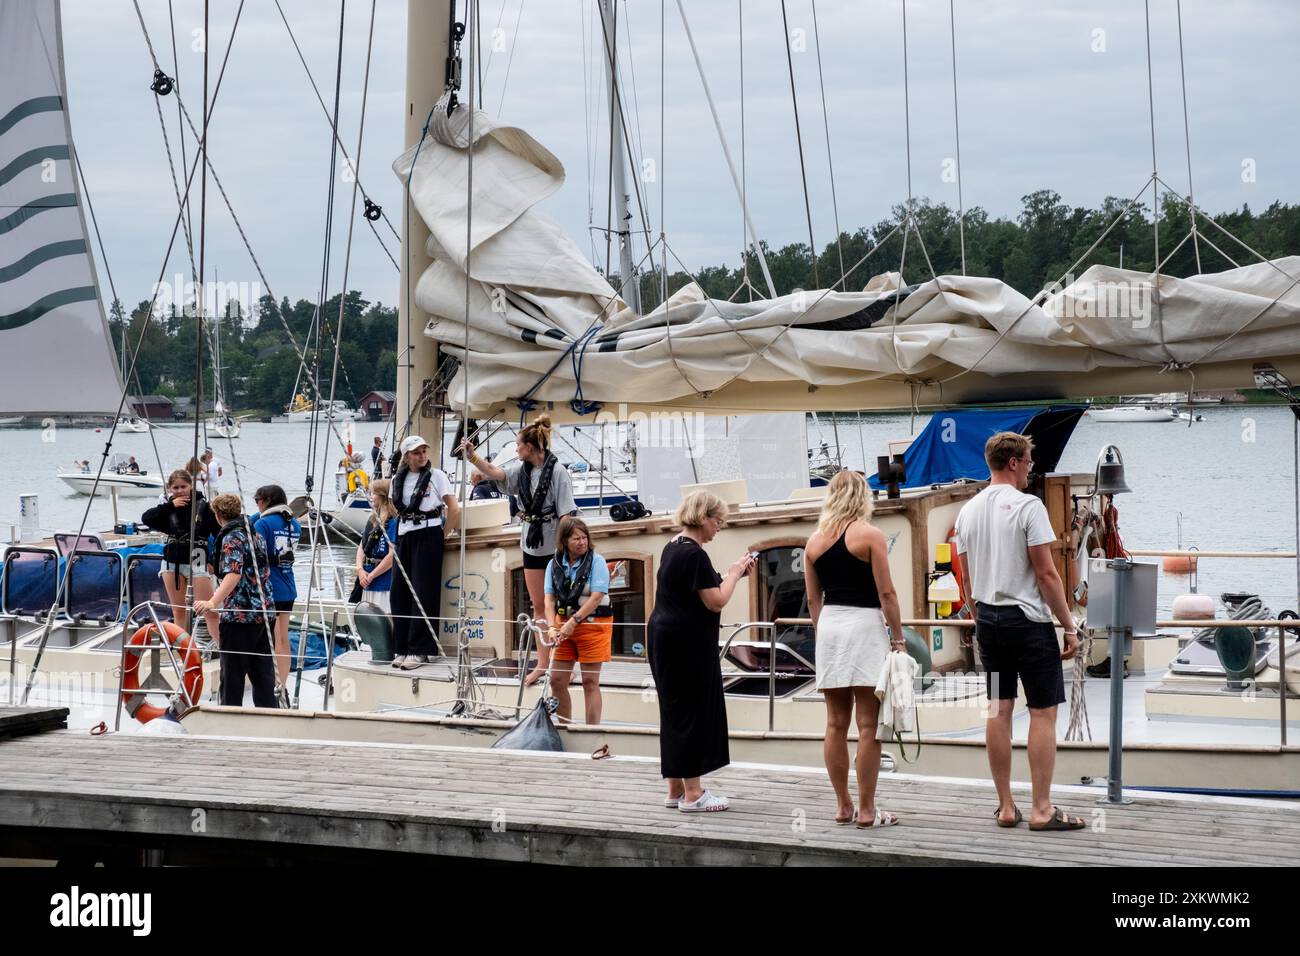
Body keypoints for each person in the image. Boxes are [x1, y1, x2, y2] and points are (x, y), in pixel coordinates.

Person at [954, 431, 1084, 832]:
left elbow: (965, 576)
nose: (1030, 469)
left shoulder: (967, 511)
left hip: (988, 621)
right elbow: (1046, 575)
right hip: (1027, 621)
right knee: (1042, 712)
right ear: (1013, 462)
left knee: (999, 709)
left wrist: (979, 615)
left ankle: (1006, 806)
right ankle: (1042, 809)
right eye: (1028, 462)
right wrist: (1069, 626)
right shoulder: (1029, 507)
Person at [803, 470, 906, 828]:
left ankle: (843, 806)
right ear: (863, 497)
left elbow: (813, 599)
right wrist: (898, 638)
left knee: (834, 723)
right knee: (868, 724)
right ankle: (866, 809)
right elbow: (887, 594)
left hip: (830, 625)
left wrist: (825, 634)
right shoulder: (870, 536)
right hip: (864, 625)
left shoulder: (813, 543)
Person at [647, 490, 755, 813]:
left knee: (673, 710)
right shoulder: (694, 555)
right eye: (717, 520)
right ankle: (694, 794)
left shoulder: (672, 547)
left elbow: (697, 590)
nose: (718, 527)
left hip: (663, 638)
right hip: (685, 643)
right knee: (691, 710)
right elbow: (716, 600)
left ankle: (676, 789)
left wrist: (729, 575)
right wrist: (736, 573)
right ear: (703, 517)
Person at [459, 414, 577, 685]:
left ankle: (565, 663)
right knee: (539, 606)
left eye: (518, 445)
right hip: (532, 545)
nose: (515, 450)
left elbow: (567, 515)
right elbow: (498, 474)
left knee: (561, 606)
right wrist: (473, 458)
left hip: (554, 546)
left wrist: (565, 551)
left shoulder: (558, 472)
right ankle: (543, 662)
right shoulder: (521, 471)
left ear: (531, 447)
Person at [195, 494, 277, 708]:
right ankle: (269, 714)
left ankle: (230, 714)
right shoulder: (254, 534)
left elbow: (234, 574)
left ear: (218, 515)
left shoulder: (232, 538)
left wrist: (212, 602)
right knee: (263, 673)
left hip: (240, 615)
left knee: (232, 674)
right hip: (264, 611)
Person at [389, 435, 459, 670]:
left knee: (423, 591)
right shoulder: (397, 480)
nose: (422, 456)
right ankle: (401, 646)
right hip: (405, 535)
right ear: (406, 456)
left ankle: (420, 650)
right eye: (416, 452)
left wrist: (443, 535)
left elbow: (454, 508)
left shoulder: (436, 476)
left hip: (428, 534)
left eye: (423, 451)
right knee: (399, 592)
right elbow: (395, 508)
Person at [543, 516, 613, 725]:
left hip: (593, 626)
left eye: (584, 537)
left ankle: (592, 732)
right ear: (564, 542)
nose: (582, 542)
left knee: (590, 681)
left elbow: (597, 596)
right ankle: (565, 727)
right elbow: (548, 601)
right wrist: (552, 628)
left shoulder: (597, 561)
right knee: (557, 680)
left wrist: (573, 622)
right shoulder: (553, 564)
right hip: (562, 626)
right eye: (576, 539)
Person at [141, 469, 221, 638]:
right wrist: (170, 506)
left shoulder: (204, 507)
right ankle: (183, 652)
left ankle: (223, 651)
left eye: (183, 487)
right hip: (172, 563)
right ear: (170, 488)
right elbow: (146, 518)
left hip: (198, 559)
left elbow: (219, 533)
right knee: (179, 611)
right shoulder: (167, 509)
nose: (179, 491)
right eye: (175, 488)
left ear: (191, 486)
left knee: (209, 610)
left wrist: (214, 559)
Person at [252, 485, 301, 694]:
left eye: (257, 499)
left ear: (266, 500)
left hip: (270, 586)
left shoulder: (263, 524)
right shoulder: (295, 524)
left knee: (270, 639)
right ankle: (283, 684)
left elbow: (257, 553)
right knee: (283, 637)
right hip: (288, 584)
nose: (256, 503)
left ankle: (274, 683)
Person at [354, 479, 399, 613]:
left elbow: (392, 555)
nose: (371, 497)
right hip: (368, 580)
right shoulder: (372, 519)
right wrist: (360, 570)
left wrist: (372, 575)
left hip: (384, 583)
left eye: (373, 493)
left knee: (385, 619)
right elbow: (362, 546)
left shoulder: (393, 521)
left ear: (383, 496)